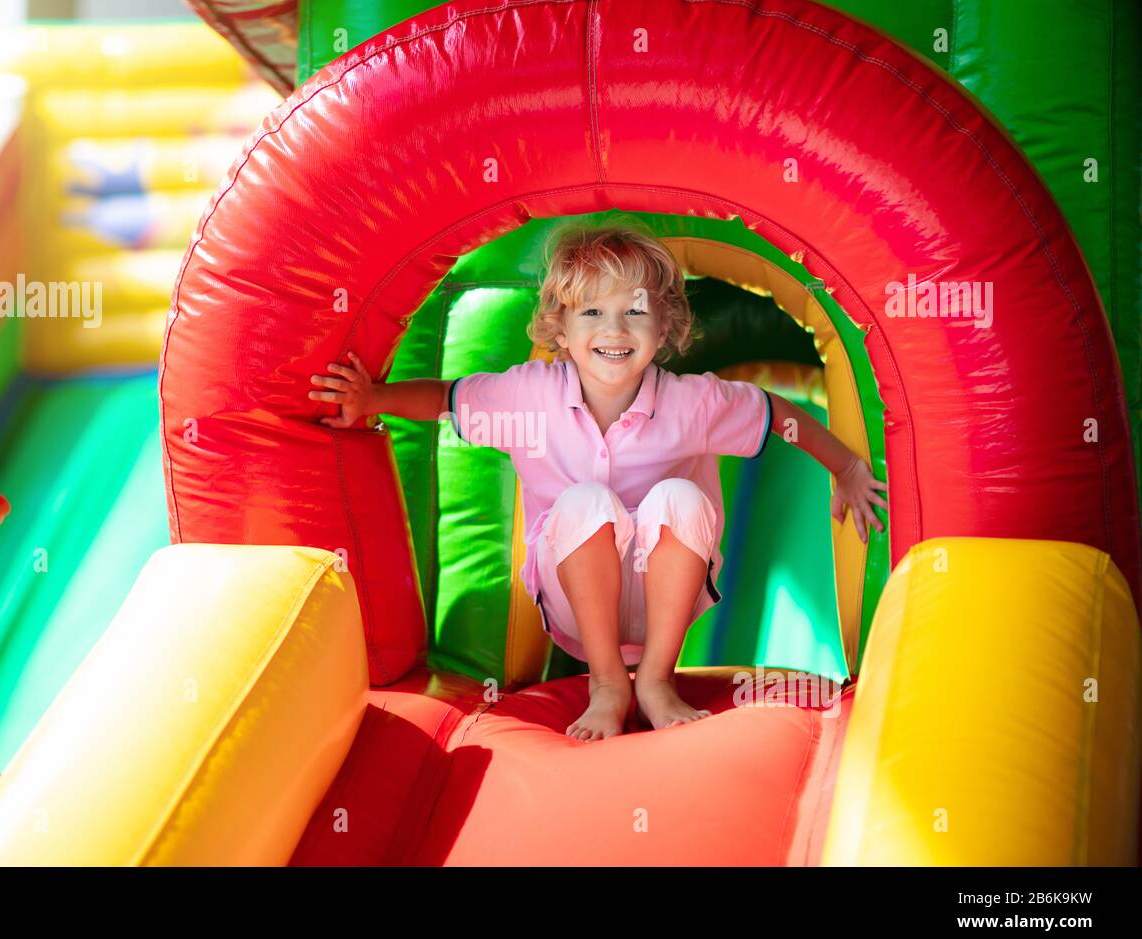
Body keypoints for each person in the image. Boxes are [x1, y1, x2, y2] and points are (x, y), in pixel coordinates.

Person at [309, 222, 887, 741]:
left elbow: (774, 413)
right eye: (592, 312)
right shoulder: (527, 397)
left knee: (678, 497)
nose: (615, 329)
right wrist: (374, 400)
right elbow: (445, 399)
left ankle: (657, 681)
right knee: (586, 502)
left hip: (666, 593)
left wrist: (848, 469)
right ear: (559, 329)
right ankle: (608, 683)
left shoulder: (692, 403)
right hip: (574, 601)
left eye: (635, 311)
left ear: (664, 329)